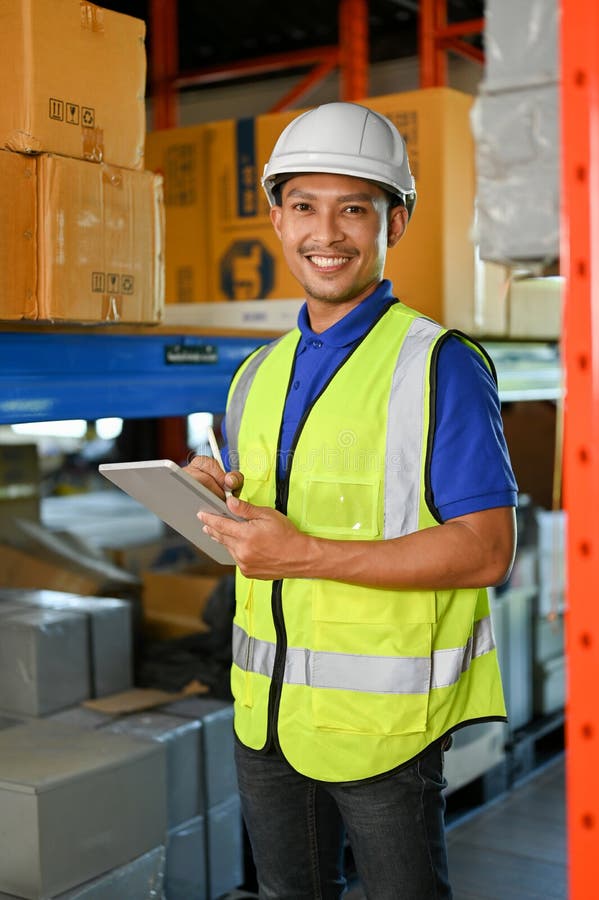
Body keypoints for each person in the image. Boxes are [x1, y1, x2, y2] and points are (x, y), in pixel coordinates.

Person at [186, 101, 518, 900]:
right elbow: (259, 537)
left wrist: (299, 551)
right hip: (264, 715)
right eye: (303, 206)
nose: (324, 233)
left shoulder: (439, 365)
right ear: (276, 219)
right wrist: (212, 502)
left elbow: (485, 553)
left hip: (383, 731)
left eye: (353, 209)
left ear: (392, 223)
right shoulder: (253, 374)